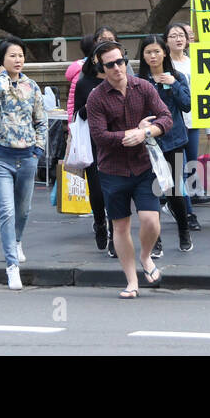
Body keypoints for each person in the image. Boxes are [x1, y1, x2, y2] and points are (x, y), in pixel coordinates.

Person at [85, 40, 172, 298]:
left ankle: (145, 257)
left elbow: (166, 117)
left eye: (120, 61)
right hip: (112, 170)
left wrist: (145, 132)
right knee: (120, 227)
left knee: (150, 221)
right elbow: (99, 136)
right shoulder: (96, 97)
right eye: (110, 64)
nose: (117, 68)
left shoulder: (142, 87)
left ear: (126, 61)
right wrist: (129, 135)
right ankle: (131, 281)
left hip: (144, 166)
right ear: (101, 68)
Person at [0, 38, 46, 290]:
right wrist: (4, 76)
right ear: (2, 60)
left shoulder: (32, 86)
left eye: (20, 56)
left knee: (23, 210)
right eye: (12, 56)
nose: (18, 60)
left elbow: (41, 120)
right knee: (6, 210)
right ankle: (11, 267)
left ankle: (17, 241)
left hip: (27, 155)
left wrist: (38, 149)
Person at [138, 35, 192, 255]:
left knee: (175, 191)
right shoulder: (139, 81)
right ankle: (155, 241)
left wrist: (174, 84)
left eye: (157, 51)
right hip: (149, 143)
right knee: (152, 192)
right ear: (142, 55)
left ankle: (184, 231)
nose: (153, 56)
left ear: (165, 53)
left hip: (175, 141)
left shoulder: (176, 76)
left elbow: (187, 105)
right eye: (148, 52)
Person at [73, 26, 118, 253]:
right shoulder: (84, 83)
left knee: (115, 193)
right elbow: (78, 113)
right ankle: (100, 222)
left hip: (118, 142)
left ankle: (115, 238)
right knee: (98, 193)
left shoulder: (121, 80)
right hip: (93, 143)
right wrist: (93, 105)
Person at [166, 23, 206, 224]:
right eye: (173, 36)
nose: (178, 39)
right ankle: (188, 213)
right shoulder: (165, 66)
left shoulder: (195, 62)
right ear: (166, 41)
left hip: (194, 121)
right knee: (178, 169)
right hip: (173, 124)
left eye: (181, 35)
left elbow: (203, 94)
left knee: (191, 165)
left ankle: (178, 204)